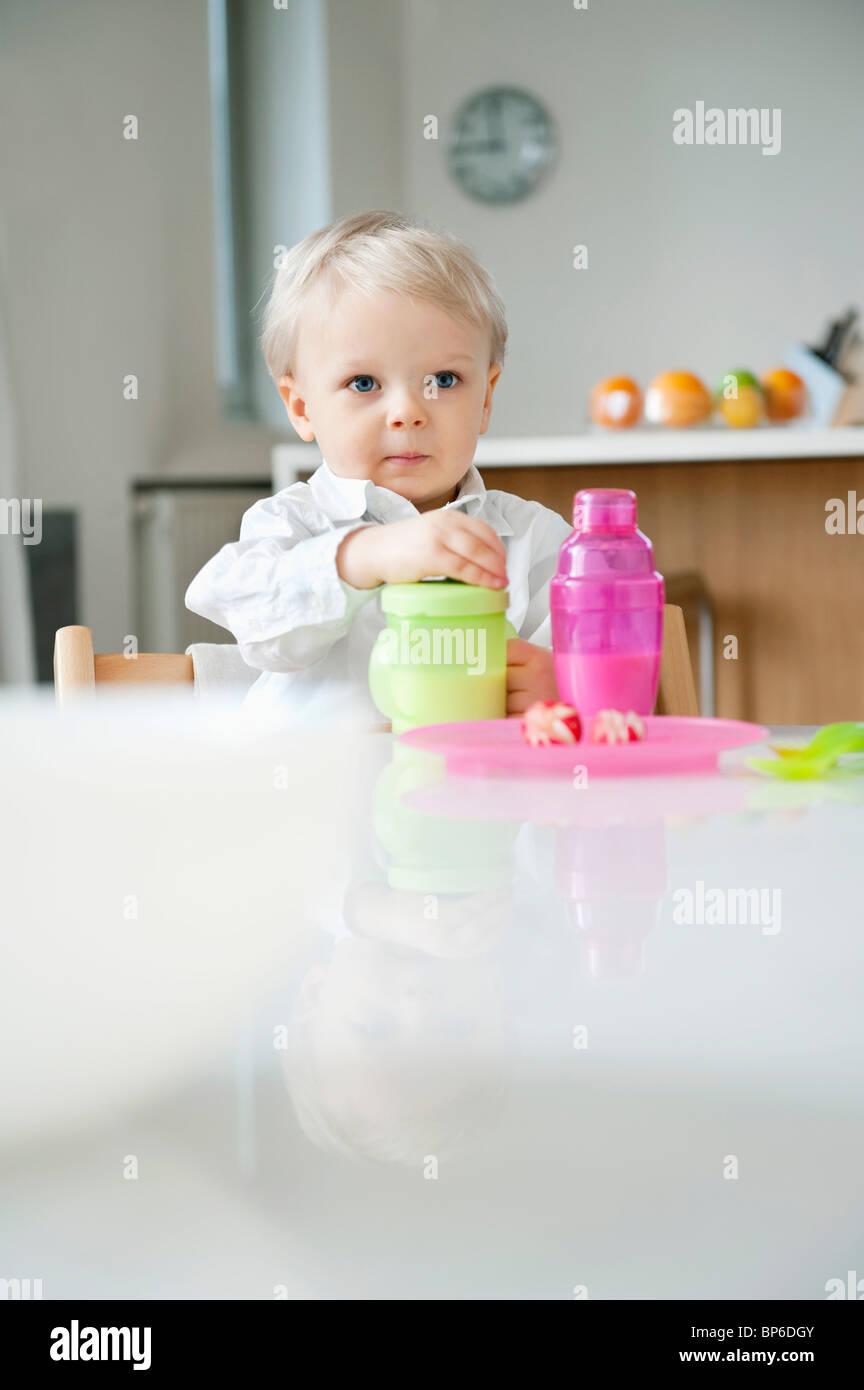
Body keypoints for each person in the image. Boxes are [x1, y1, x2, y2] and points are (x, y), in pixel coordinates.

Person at [186, 210, 571, 726]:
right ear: (300, 407)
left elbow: (597, 677)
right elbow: (249, 616)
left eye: (444, 379)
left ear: (485, 397)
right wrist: (362, 556)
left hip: (472, 797)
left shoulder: (536, 540)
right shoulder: (292, 525)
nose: (407, 411)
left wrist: (560, 688)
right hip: (312, 794)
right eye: (364, 383)